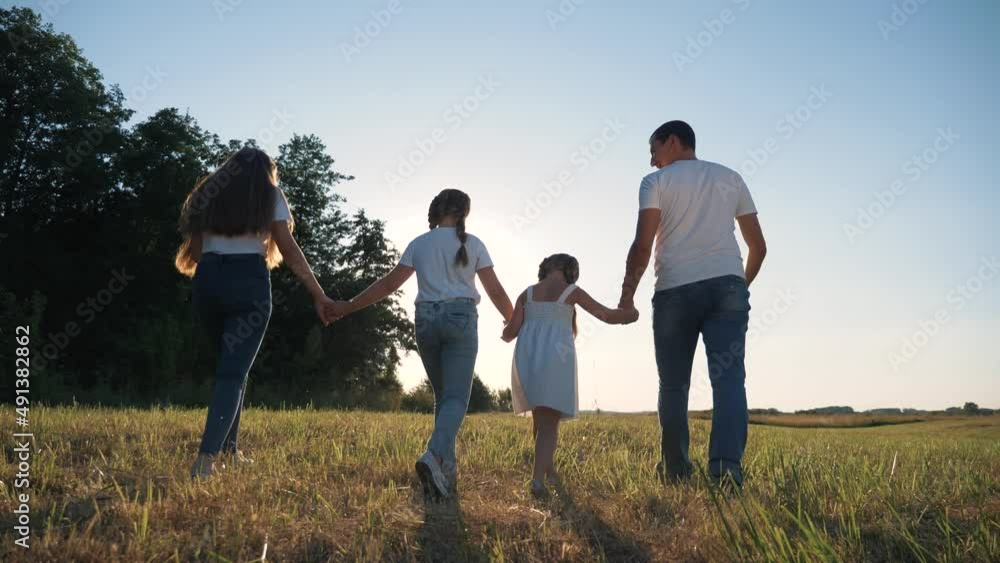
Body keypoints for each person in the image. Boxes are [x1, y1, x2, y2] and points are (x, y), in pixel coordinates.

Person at [328, 188, 513, 499]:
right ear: (463, 212)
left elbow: (389, 284)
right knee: (456, 399)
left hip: (425, 319)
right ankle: (433, 455)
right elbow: (493, 289)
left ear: (436, 211)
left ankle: (446, 468)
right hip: (460, 316)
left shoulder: (419, 244)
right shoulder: (473, 243)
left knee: (443, 398)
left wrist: (348, 305)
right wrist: (512, 319)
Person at [617, 120, 767, 489]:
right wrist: (737, 289)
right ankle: (726, 471)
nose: (652, 161)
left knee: (673, 385)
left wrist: (626, 297)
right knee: (729, 380)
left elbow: (642, 245)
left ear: (672, 141)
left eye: (653, 150)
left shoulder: (655, 183)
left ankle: (676, 471)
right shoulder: (730, 177)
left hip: (674, 291)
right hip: (727, 286)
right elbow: (758, 247)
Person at [175, 147, 336, 479]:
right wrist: (318, 294)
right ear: (267, 172)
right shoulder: (269, 193)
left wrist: (213, 276)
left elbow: (195, 249)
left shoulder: (207, 190)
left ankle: (230, 449)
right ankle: (205, 460)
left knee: (230, 368)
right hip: (248, 280)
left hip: (208, 281)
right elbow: (287, 247)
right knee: (232, 373)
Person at [502, 253, 637, 496]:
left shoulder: (527, 293)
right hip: (555, 358)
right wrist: (629, 316)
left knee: (539, 418)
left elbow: (510, 332)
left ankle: (548, 469)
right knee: (549, 423)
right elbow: (605, 315)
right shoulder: (571, 292)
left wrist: (505, 327)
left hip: (528, 358)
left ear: (545, 269)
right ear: (570, 271)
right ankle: (537, 482)